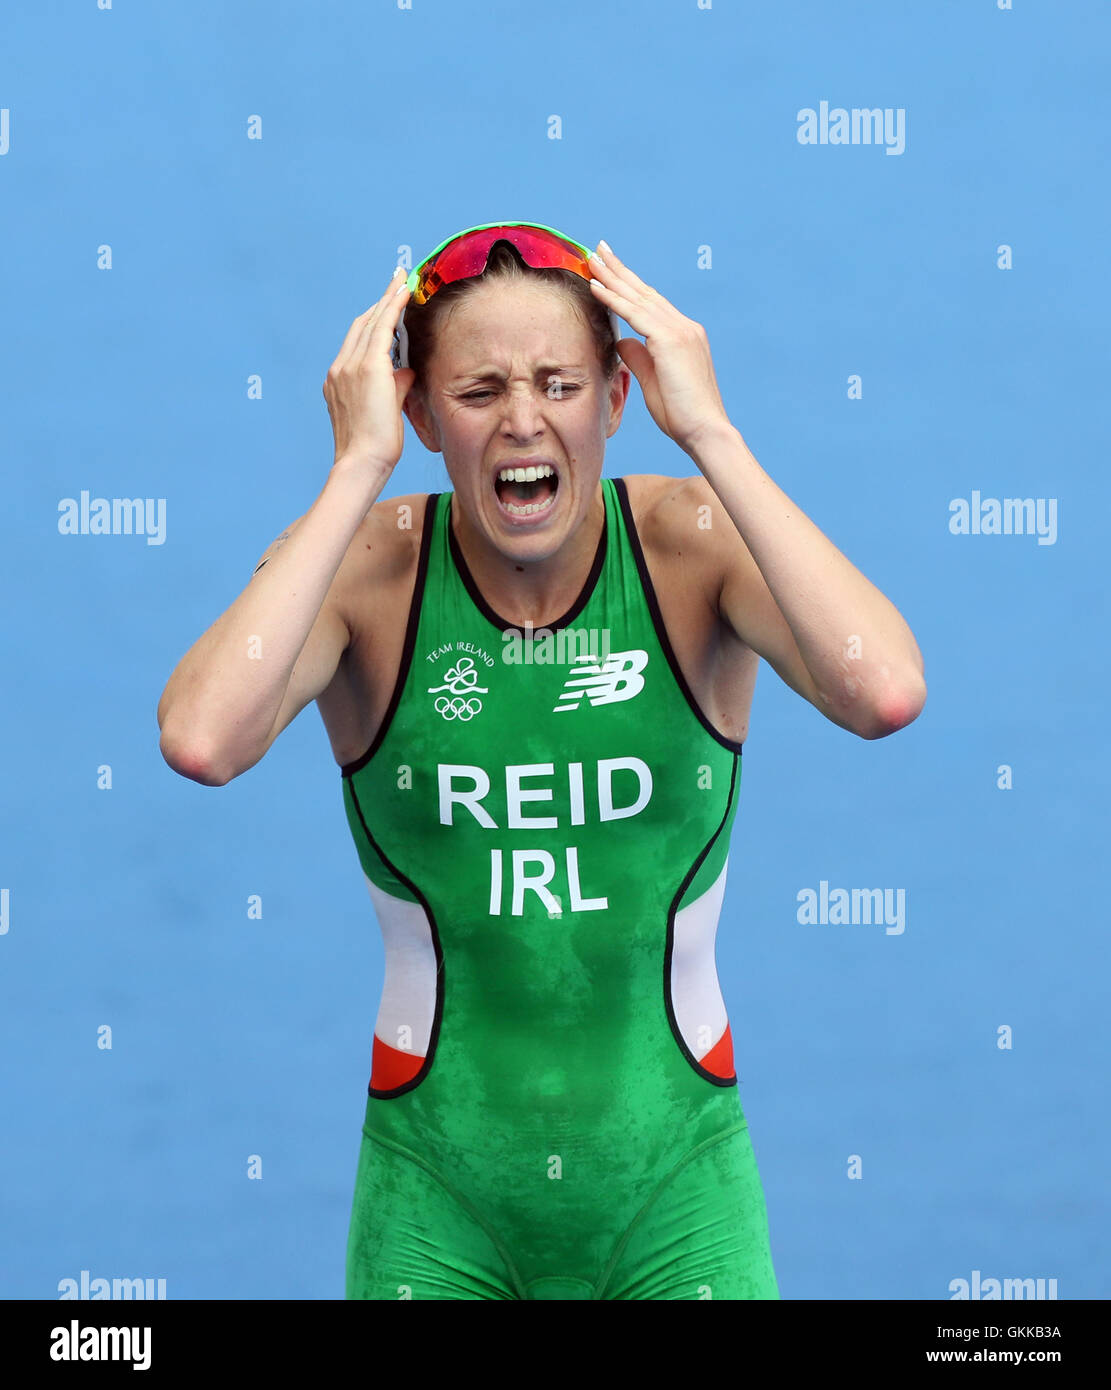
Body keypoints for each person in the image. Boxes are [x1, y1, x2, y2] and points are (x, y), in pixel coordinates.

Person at [157, 221, 926, 1300]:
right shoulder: (367, 570)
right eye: (475, 393)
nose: (524, 419)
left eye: (560, 382)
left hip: (677, 1198)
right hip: (437, 1204)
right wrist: (352, 472)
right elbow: (202, 739)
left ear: (616, 400)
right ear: (419, 411)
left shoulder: (690, 547)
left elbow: (882, 689)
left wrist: (712, 432)